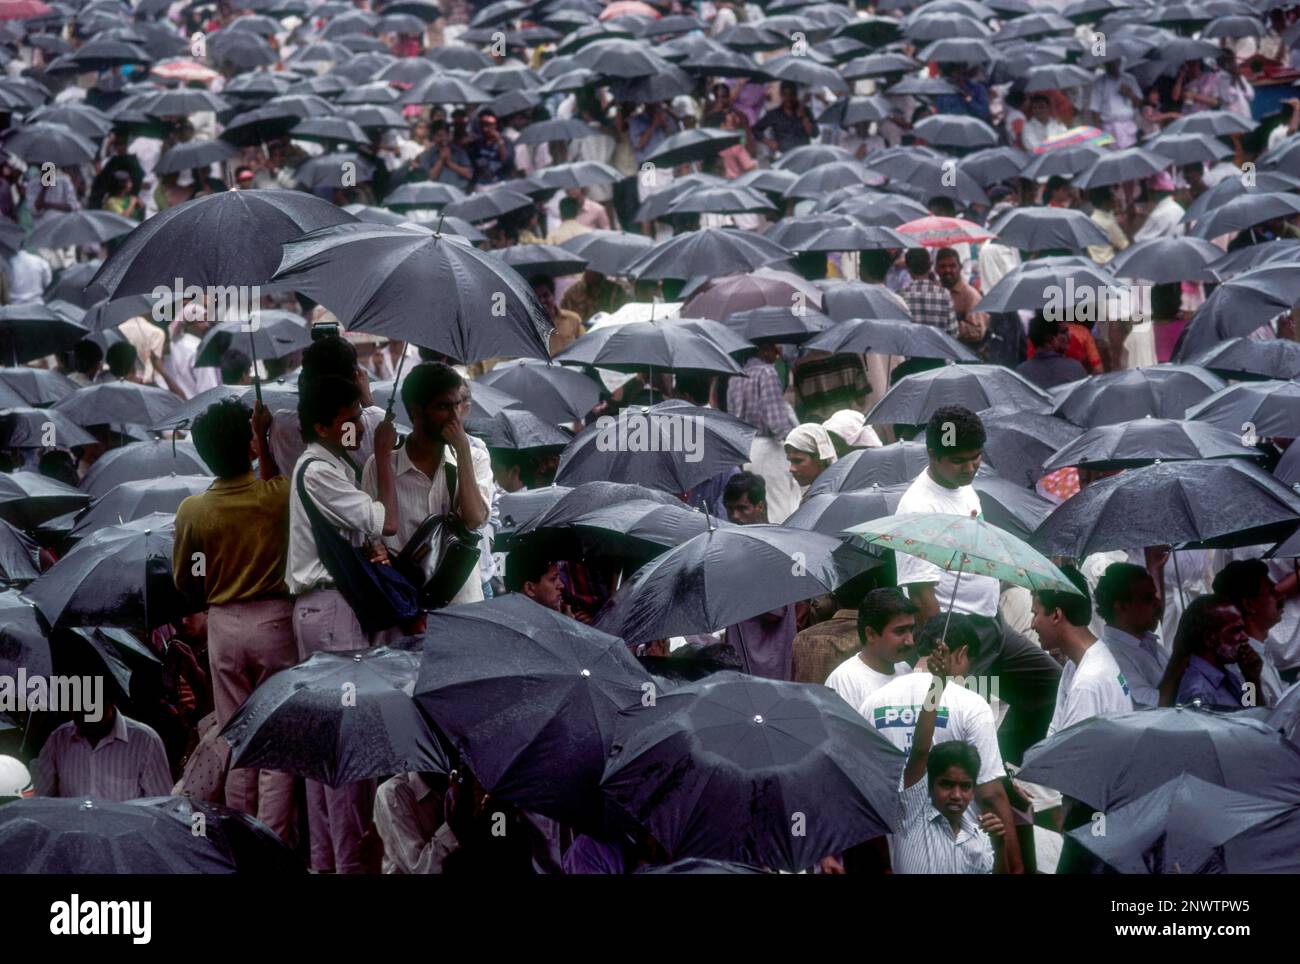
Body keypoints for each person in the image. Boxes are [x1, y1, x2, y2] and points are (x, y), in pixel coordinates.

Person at [894, 407, 1061, 764]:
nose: (970, 468)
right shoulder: (918, 507)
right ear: (933, 455)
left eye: (976, 458)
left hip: (993, 625)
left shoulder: (967, 490)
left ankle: (1004, 766)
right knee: (962, 727)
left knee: (1050, 685)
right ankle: (982, 788)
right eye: (958, 461)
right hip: (957, 635)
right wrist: (943, 651)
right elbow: (921, 593)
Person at [287, 374, 399, 874]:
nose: (356, 425)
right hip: (330, 612)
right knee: (344, 758)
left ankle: (326, 864)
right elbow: (386, 520)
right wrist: (386, 457)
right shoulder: (319, 471)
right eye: (348, 420)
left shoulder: (328, 465)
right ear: (320, 425)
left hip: (324, 610)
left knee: (324, 756)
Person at [172, 398, 296, 840]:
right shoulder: (277, 494)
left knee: (238, 740)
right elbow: (270, 480)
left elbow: (186, 580)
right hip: (275, 624)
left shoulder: (193, 511)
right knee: (276, 741)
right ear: (247, 445)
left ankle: (243, 844)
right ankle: (275, 841)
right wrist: (263, 438)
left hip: (223, 625)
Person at [862, 616, 1018, 873]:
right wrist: (1018, 866)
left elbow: (866, 789)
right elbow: (990, 793)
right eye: (970, 665)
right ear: (963, 653)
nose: (956, 794)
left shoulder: (872, 703)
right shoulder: (972, 704)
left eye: (963, 786)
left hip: (891, 852)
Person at [361, 362, 492, 609]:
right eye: (443, 407)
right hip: (407, 609)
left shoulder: (475, 458)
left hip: (464, 603)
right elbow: (370, 537)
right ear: (416, 411)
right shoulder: (381, 465)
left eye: (456, 405)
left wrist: (463, 451)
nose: (454, 417)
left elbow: (474, 519)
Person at [893, 639, 1004, 874]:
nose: (956, 795)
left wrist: (1000, 843)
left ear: (973, 790)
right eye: (946, 784)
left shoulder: (979, 839)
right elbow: (921, 748)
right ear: (929, 784)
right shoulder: (913, 815)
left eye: (965, 786)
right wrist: (938, 684)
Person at [1031, 566, 1134, 737]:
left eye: (1035, 614)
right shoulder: (1076, 664)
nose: (1032, 625)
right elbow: (1056, 731)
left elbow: (1070, 756)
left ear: (1056, 615)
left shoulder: (1087, 682)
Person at [33, 694, 172, 802]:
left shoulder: (145, 741)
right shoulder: (59, 739)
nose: (85, 715)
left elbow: (162, 808)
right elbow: (37, 800)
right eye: (77, 709)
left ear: (110, 701)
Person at [725, 342, 800, 524]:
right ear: (763, 349)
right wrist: (794, 443)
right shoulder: (767, 372)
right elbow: (774, 417)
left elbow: (731, 416)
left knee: (759, 503)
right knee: (778, 502)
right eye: (774, 348)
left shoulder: (736, 376)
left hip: (746, 446)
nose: (777, 353)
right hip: (769, 446)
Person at [823, 588, 917, 709]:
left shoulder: (905, 669)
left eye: (911, 630)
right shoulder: (844, 681)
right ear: (871, 634)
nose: (910, 641)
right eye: (900, 631)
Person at [1212, 559, 1287, 706]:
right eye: (1271, 591)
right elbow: (1251, 711)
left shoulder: (1258, 651)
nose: (1282, 596)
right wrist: (1252, 681)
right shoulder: (1242, 664)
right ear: (1249, 605)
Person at [1095, 561, 1168, 708]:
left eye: (1155, 596)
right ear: (1120, 606)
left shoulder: (1152, 644)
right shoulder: (1110, 657)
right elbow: (1154, 704)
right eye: (1148, 598)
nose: (1157, 603)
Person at [1171, 595, 1260, 709]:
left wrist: (1252, 680)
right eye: (1236, 631)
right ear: (1210, 638)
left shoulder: (1225, 676)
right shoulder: (1199, 693)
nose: (1245, 637)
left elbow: (1252, 714)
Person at [1016, 316, 1087, 390]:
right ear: (1049, 340)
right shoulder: (1075, 368)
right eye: (1063, 332)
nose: (1069, 335)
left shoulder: (1021, 372)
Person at [899, 248, 958, 337]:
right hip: (938, 349)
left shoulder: (900, 296)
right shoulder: (944, 294)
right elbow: (954, 332)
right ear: (930, 265)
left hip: (911, 350)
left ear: (908, 268)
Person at [754, 82, 817, 155]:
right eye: (785, 94)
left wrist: (804, 117)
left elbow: (815, 134)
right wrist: (768, 142)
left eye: (791, 94)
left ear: (796, 95)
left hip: (804, 154)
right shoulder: (774, 114)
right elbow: (756, 130)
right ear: (781, 95)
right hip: (783, 154)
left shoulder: (806, 111)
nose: (788, 98)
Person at [783, 422, 837, 495]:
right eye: (791, 461)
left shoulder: (834, 496)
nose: (791, 469)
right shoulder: (808, 495)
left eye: (798, 461)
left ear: (820, 458)